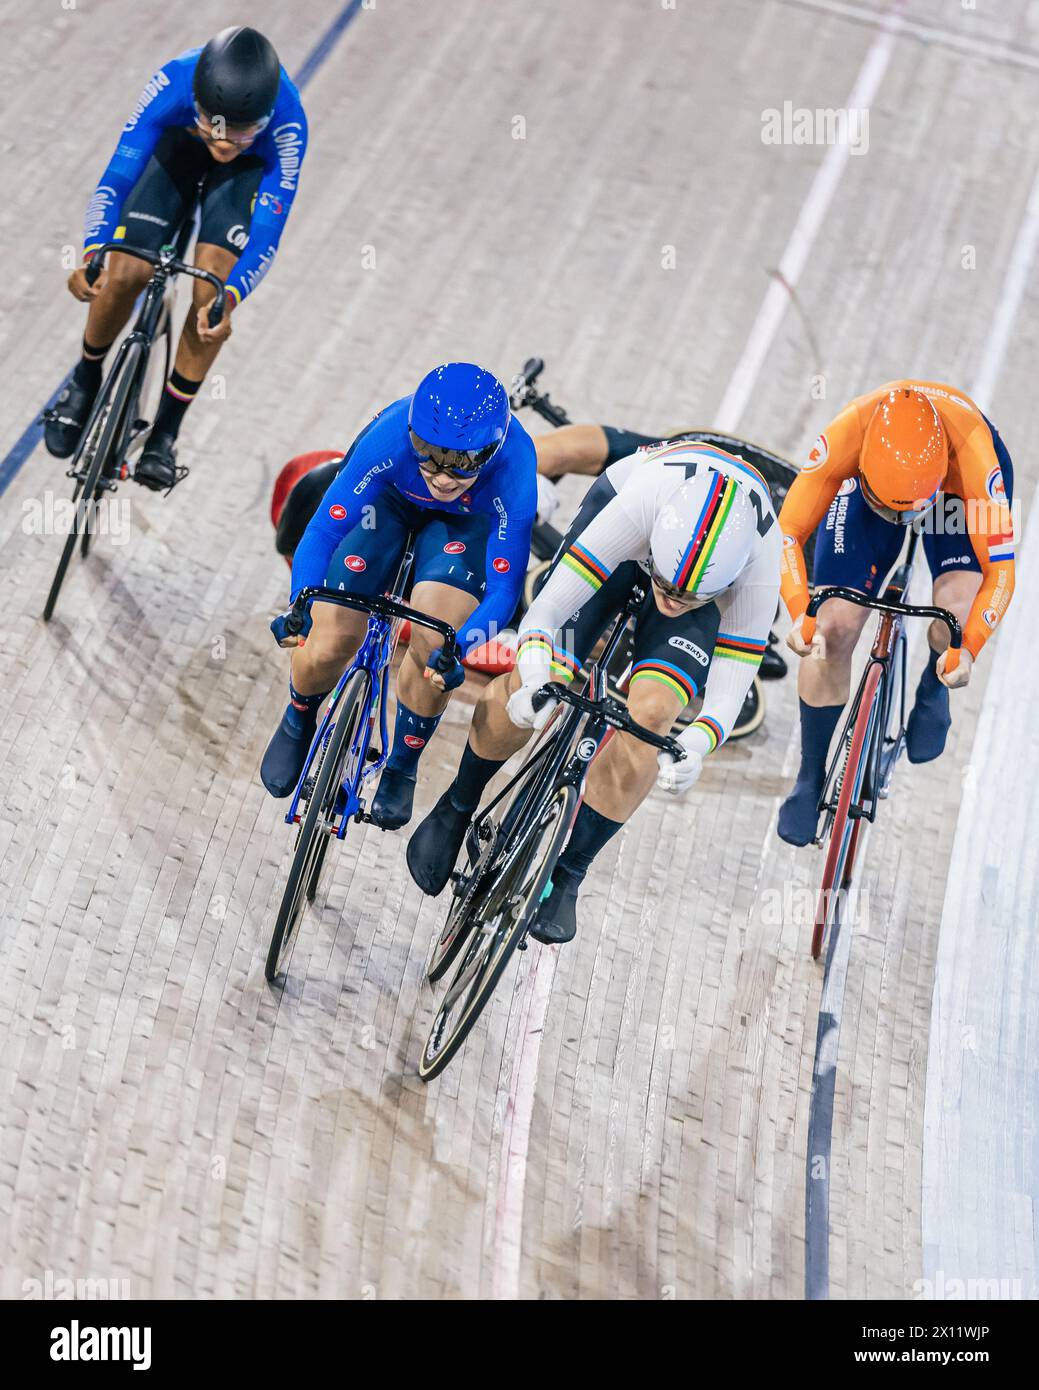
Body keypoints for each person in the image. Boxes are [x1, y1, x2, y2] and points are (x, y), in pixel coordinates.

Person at [406, 440, 782, 944]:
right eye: (668, 586)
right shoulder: (640, 502)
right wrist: (536, 669)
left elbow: (728, 692)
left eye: (686, 595)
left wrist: (696, 745)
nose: (670, 601)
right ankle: (458, 804)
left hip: (690, 570)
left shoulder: (758, 566)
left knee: (653, 717)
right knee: (546, 673)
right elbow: (546, 615)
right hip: (626, 535)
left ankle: (569, 873)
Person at [262, 363, 538, 832]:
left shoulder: (515, 465)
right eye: (429, 455)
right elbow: (325, 529)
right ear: (412, 435)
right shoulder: (389, 435)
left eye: (464, 462)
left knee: (436, 642)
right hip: (387, 506)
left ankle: (402, 764)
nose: (443, 476)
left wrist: (460, 648)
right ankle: (298, 716)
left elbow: (506, 588)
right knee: (328, 642)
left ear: (490, 451)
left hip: (462, 528)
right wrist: (299, 604)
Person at [46, 27, 308, 491]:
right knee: (126, 269)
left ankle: (164, 435)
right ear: (196, 101)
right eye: (215, 126)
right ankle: (85, 379)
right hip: (178, 147)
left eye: (242, 131)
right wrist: (93, 250)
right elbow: (115, 182)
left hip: (247, 173)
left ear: (264, 118)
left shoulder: (288, 125)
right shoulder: (172, 83)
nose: (224, 143)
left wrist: (230, 297)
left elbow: (267, 236)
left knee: (211, 291)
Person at [776, 382, 1016, 846]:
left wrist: (968, 648)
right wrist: (800, 612)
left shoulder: (976, 459)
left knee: (957, 619)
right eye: (888, 508)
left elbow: (1001, 573)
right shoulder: (846, 434)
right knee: (833, 627)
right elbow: (789, 530)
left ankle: (933, 681)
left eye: (903, 513)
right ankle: (809, 777)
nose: (898, 518)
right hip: (874, 491)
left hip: (952, 497)